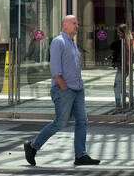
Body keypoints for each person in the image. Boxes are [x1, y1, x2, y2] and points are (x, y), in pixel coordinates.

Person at [24, 14, 99, 167]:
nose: (77, 26)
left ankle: (80, 155)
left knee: (82, 121)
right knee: (60, 123)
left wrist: (79, 86)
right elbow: (55, 69)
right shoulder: (58, 42)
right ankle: (32, 146)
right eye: (74, 23)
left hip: (77, 89)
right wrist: (64, 87)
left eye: (77, 23)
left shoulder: (72, 42)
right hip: (64, 89)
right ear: (64, 25)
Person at [110, 24, 134, 112]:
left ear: (124, 33)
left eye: (120, 32)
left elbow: (112, 46)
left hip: (124, 67)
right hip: (124, 67)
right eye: (118, 33)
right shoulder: (128, 41)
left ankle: (118, 106)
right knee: (120, 89)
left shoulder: (124, 42)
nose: (118, 34)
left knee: (117, 87)